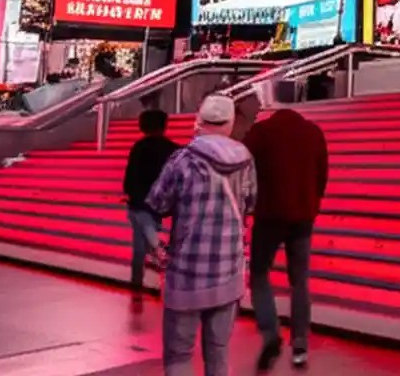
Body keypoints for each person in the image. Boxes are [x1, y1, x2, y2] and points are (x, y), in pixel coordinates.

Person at [145, 94, 257, 376]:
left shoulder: (182, 159)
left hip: (186, 274)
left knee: (179, 355)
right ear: (230, 123)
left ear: (199, 121)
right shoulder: (246, 160)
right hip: (228, 272)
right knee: (218, 353)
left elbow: (157, 203)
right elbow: (252, 203)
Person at [245, 109, 329, 371]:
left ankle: (271, 334)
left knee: (259, 274)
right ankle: (300, 343)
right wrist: (313, 202)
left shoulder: (261, 133)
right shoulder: (313, 132)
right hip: (303, 215)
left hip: (269, 215)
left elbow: (245, 168)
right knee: (300, 278)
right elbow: (322, 173)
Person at [121, 108, 178, 296]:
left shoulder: (139, 147)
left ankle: (138, 278)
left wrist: (130, 193)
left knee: (139, 240)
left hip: (140, 200)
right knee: (145, 230)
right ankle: (156, 245)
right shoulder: (173, 149)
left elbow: (131, 175)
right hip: (162, 203)